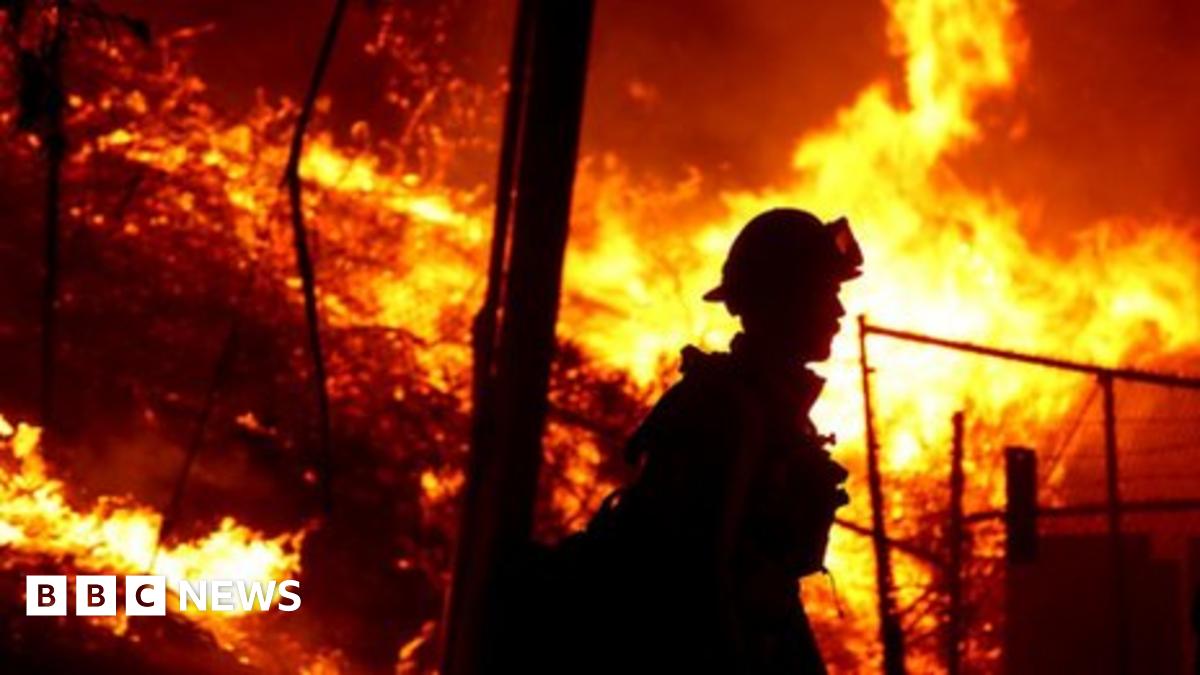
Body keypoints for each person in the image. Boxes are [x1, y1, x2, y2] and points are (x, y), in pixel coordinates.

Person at [554, 208, 860, 675]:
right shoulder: (723, 412)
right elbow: (693, 580)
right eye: (826, 292)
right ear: (784, 299)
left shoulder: (771, 410)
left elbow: (769, 589)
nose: (838, 311)